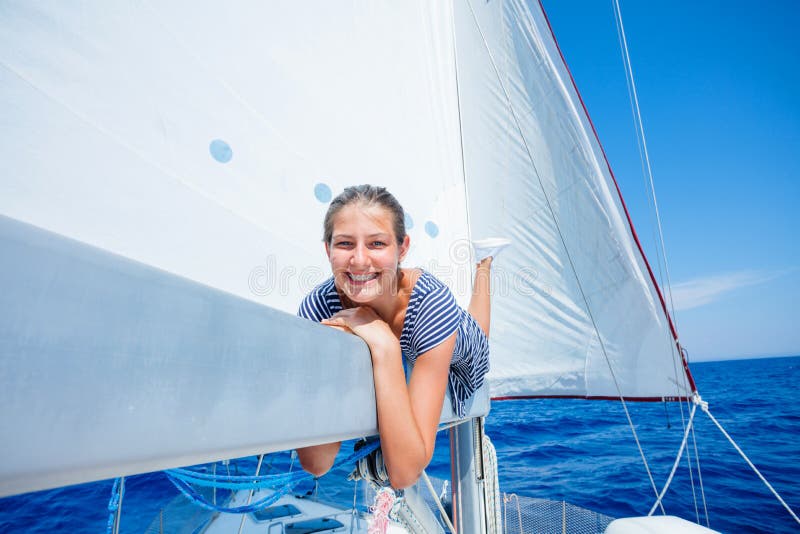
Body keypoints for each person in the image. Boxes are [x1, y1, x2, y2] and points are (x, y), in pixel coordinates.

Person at [296, 185, 508, 489]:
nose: (358, 260)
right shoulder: (319, 307)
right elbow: (316, 463)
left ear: (402, 248)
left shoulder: (431, 305)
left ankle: (484, 263)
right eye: (344, 243)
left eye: (377, 243)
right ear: (327, 249)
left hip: (461, 350)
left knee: (478, 334)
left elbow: (405, 473)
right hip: (419, 345)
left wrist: (384, 344)